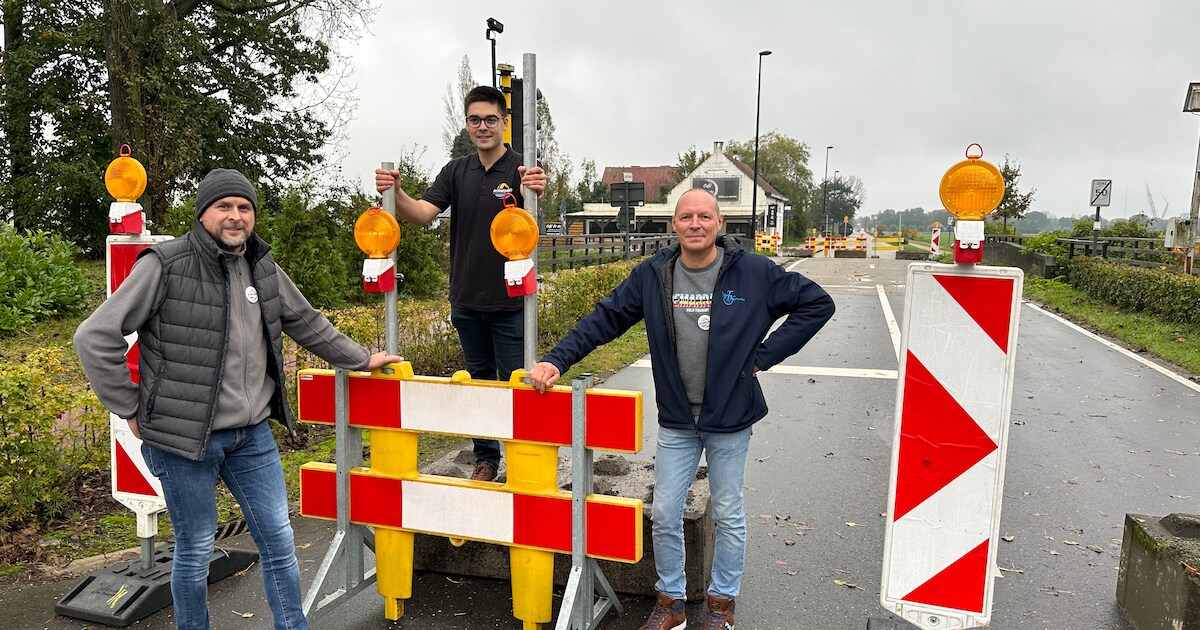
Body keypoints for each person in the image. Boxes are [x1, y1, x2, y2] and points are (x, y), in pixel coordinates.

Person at [75, 168, 402, 630]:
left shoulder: (263, 267)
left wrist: (359, 358)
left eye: (244, 207)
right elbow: (94, 336)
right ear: (203, 213)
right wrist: (128, 407)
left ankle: (292, 626)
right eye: (223, 207)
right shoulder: (165, 264)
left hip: (251, 436)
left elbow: (306, 321)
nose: (235, 217)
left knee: (279, 539)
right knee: (195, 549)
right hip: (183, 436)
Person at [529, 188, 835, 630]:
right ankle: (670, 602)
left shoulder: (753, 272)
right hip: (677, 418)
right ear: (674, 225)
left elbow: (817, 304)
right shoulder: (654, 274)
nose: (696, 224)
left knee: (729, 513)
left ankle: (721, 605)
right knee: (665, 512)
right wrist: (557, 359)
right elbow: (606, 318)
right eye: (687, 217)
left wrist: (764, 357)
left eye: (705, 217)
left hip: (730, 418)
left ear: (719, 225)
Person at [374, 85, 546, 482]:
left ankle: (524, 463)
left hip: (511, 302)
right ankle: (487, 459)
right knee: (479, 387)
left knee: (517, 386)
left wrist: (534, 190)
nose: (482, 127)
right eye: (474, 119)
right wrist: (396, 191)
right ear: (467, 124)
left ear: (505, 123)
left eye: (490, 119)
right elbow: (420, 214)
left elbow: (532, 212)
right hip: (467, 302)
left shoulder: (521, 170)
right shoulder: (456, 170)